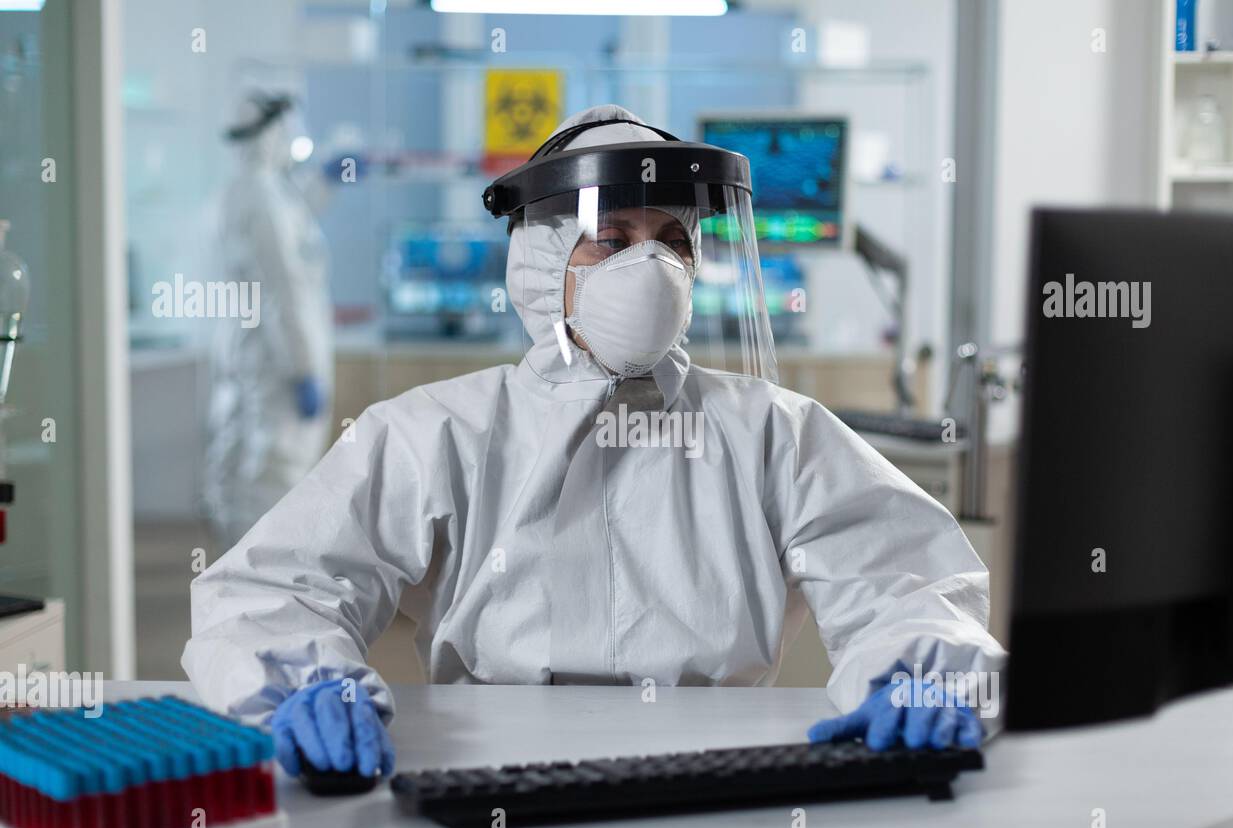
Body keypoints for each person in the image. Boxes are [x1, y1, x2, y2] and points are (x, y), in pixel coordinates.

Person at [185, 105, 1006, 779]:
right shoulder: (439, 432)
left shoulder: (772, 434)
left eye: (673, 243)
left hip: (726, 778)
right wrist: (306, 682)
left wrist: (922, 671)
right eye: (612, 241)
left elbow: (908, 582)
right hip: (491, 778)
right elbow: (272, 589)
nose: (651, 268)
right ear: (543, 268)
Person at [205, 92, 334, 554]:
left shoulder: (246, 191)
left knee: (242, 460)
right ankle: (266, 579)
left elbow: (292, 230)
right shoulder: (265, 199)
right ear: (271, 132)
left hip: (249, 347)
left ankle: (236, 571)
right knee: (278, 467)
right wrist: (304, 369)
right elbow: (288, 289)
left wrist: (326, 181)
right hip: (278, 356)